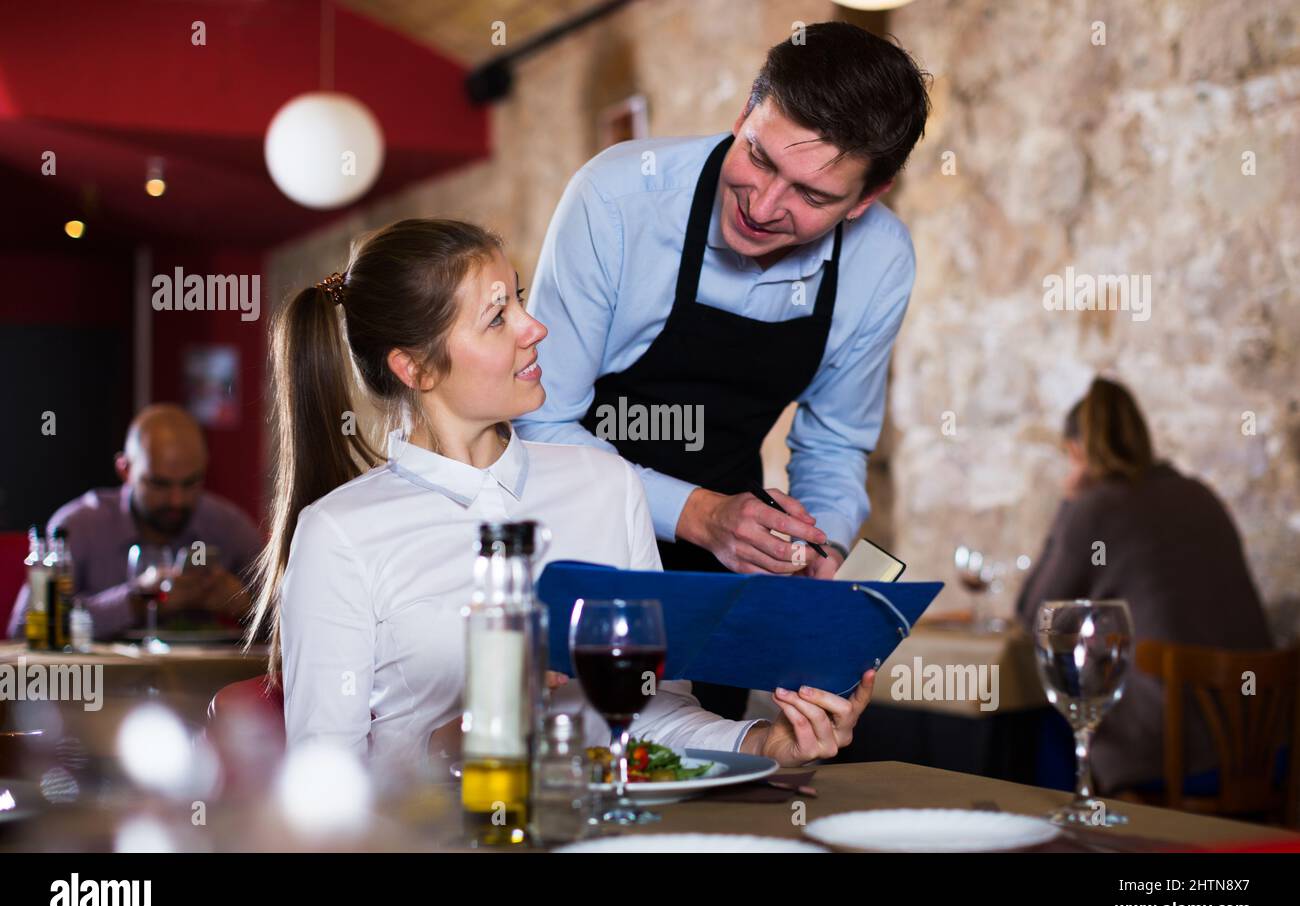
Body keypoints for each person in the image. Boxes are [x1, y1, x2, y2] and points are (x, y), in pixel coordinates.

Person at [252, 218, 876, 781]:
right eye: (498, 317)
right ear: (416, 369)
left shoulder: (608, 485)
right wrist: (460, 738)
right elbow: (323, 790)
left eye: (518, 297)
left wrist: (768, 742)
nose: (535, 327)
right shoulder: (338, 533)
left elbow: (649, 717)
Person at [515, 22, 930, 717]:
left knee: (709, 777)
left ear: (865, 200)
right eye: (759, 158)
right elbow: (539, 419)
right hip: (576, 547)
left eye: (813, 196)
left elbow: (835, 444)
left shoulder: (880, 261)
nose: (764, 207)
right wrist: (702, 513)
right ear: (742, 116)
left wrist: (816, 544)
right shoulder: (618, 199)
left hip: (727, 574)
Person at [1016, 378, 1274, 793]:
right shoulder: (1200, 495)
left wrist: (1068, 503)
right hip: (1261, 746)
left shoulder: (1094, 509)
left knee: (1039, 717)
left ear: (1076, 452)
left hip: (1170, 757)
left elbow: (1034, 616)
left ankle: (1068, 836)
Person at [5, 404, 261, 640]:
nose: (177, 500)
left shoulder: (230, 527)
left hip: (203, 686)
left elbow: (290, 625)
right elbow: (24, 630)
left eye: (191, 483)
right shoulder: (78, 525)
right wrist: (135, 601)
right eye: (159, 484)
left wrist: (247, 605)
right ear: (125, 470)